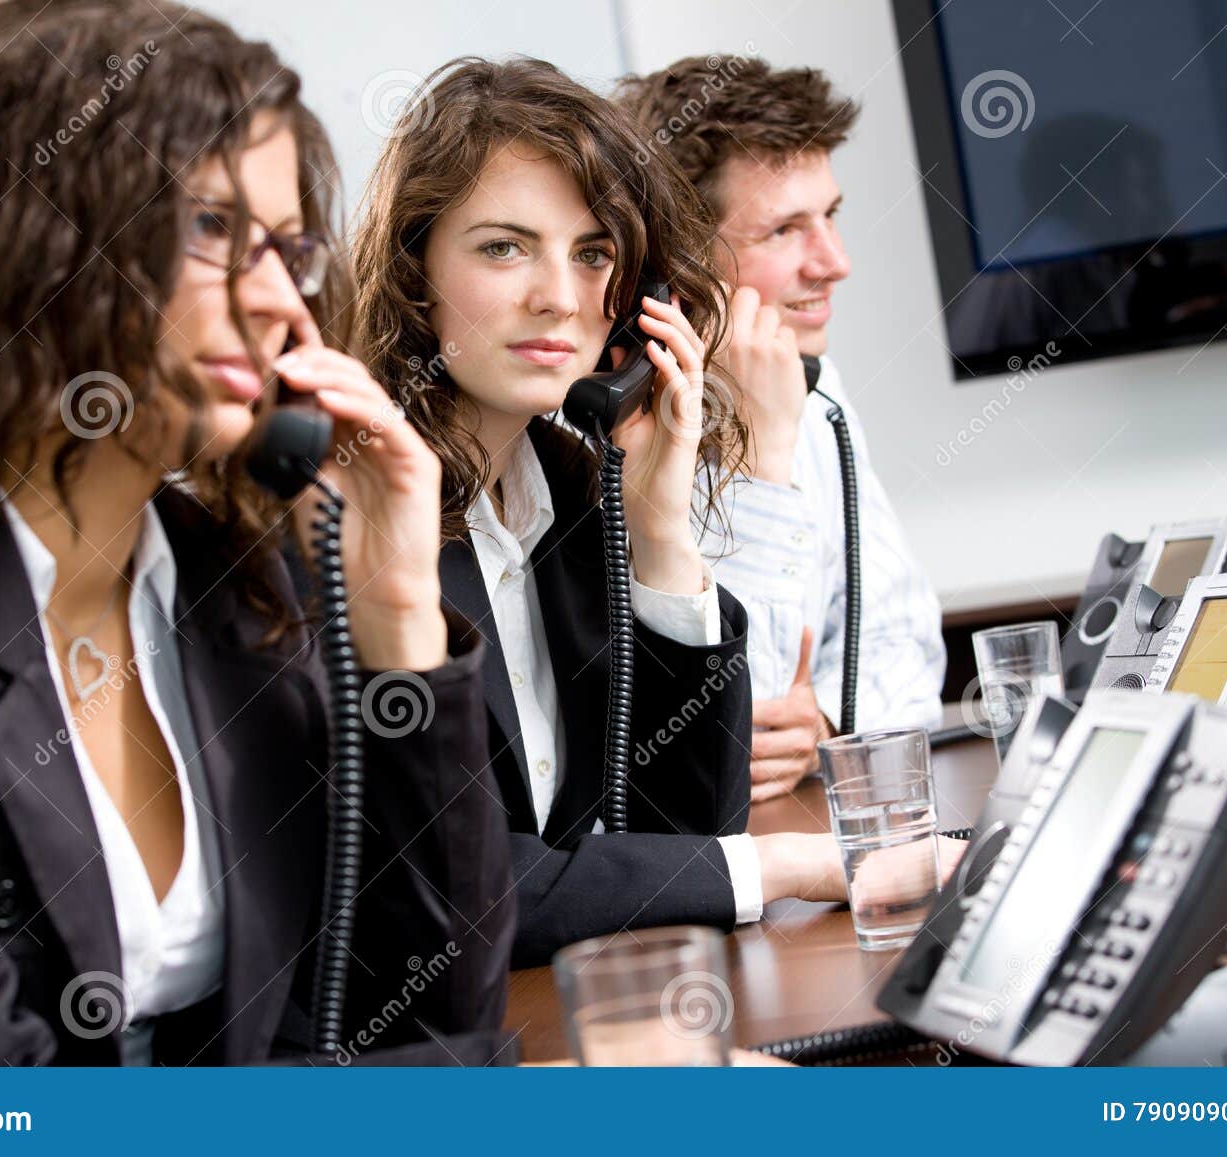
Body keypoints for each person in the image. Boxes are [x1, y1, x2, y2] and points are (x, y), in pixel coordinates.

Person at [0, 0, 512, 1065]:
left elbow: (434, 1010)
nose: (272, 299)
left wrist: (394, 617)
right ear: (14, 239)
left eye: (286, 248)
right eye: (208, 228)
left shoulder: (237, 590)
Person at [349, 57, 957, 966]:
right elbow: (457, 887)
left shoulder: (570, 494)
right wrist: (791, 862)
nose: (558, 295)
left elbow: (681, 824)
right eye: (504, 247)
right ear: (414, 273)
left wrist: (663, 533)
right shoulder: (356, 519)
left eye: (593, 253)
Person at [615, 57, 947, 802]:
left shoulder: (819, 393)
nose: (835, 263)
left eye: (829, 216)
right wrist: (764, 458)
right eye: (785, 230)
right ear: (679, 260)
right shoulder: (607, 437)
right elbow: (728, 743)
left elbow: (906, 636)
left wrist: (824, 718)